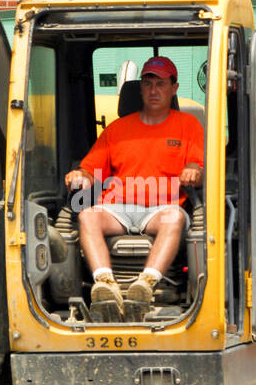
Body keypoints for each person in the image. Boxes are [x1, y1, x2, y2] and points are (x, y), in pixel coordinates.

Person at [65, 56, 204, 319]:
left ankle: (145, 285)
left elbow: (198, 170)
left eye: (161, 84)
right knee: (86, 215)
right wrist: (80, 176)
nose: (154, 90)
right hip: (118, 208)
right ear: (140, 88)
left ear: (173, 88)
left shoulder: (188, 126)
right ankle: (105, 286)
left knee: (174, 218)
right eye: (148, 83)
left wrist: (193, 171)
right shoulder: (117, 129)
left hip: (163, 209)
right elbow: (90, 169)